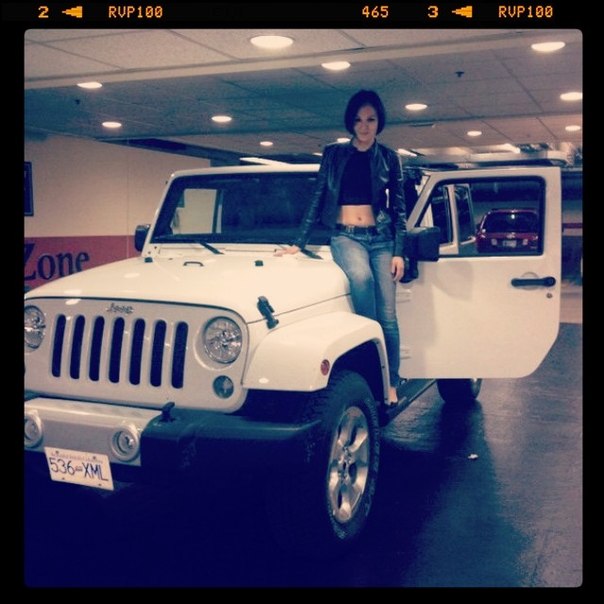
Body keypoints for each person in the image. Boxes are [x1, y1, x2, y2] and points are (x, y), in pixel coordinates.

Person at [276, 89, 407, 405]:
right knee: (362, 280)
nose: (364, 126)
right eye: (359, 120)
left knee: (388, 316)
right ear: (351, 122)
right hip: (346, 236)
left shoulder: (389, 157)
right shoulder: (333, 154)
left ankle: (391, 381)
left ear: (379, 122)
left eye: (371, 119)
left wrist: (399, 251)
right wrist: (298, 243)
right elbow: (318, 196)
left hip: (381, 238)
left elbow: (399, 208)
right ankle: (370, 364)